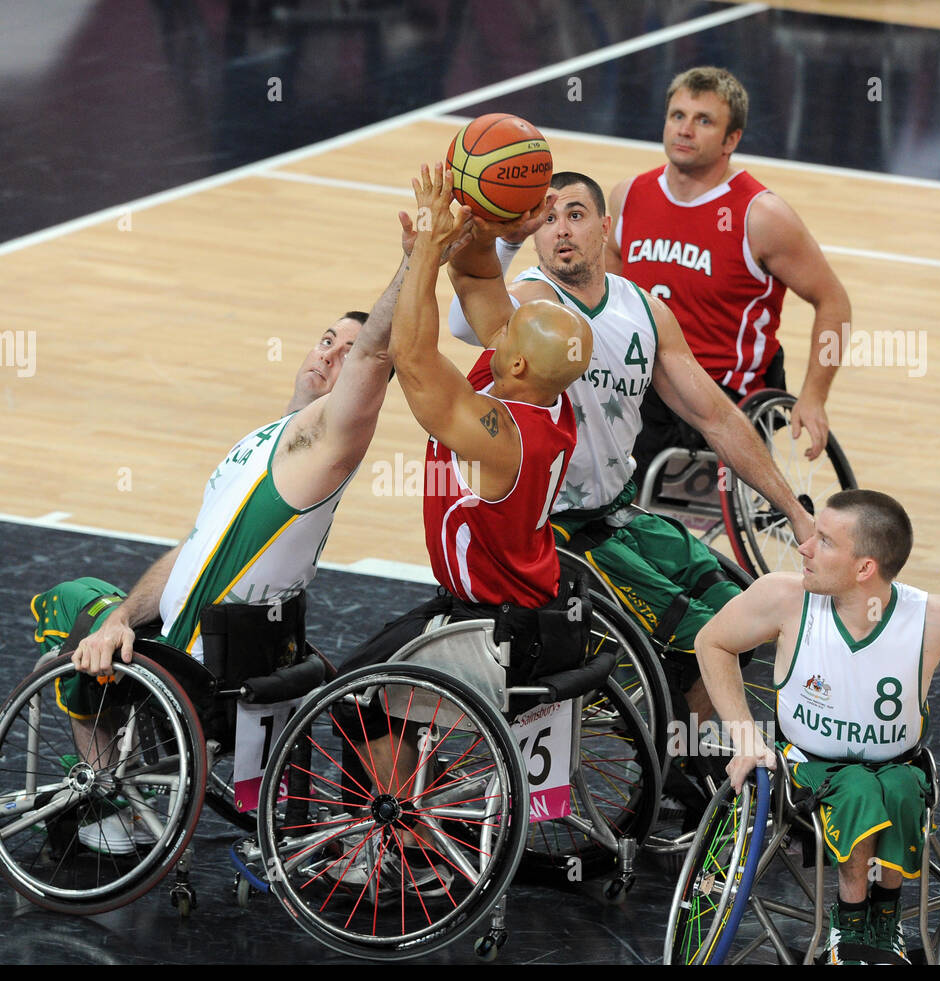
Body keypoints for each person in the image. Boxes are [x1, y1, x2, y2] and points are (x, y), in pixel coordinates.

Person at [25, 215, 473, 853]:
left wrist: (414, 262)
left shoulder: (326, 444)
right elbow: (194, 548)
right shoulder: (265, 442)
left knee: (68, 601)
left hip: (199, 675)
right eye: (325, 339)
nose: (332, 353)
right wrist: (123, 614)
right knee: (101, 600)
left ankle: (110, 796)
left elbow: (378, 350)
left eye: (348, 351)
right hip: (203, 648)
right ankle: (116, 758)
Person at [447, 170, 813, 726]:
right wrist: (505, 237)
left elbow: (715, 416)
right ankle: (679, 770)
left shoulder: (645, 311)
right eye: (547, 219)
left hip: (620, 514)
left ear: (606, 227)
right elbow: (463, 322)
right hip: (555, 527)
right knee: (703, 637)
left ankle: (689, 764)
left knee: (743, 616)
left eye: (575, 214)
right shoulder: (531, 304)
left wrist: (795, 514)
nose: (561, 230)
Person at [330, 163, 592, 890]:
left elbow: (410, 358)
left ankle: (401, 845)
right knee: (384, 676)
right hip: (529, 603)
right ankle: (424, 798)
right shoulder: (545, 392)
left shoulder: (498, 428)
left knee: (353, 694)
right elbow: (480, 282)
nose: (498, 330)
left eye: (507, 334)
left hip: (489, 625)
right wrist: (475, 222)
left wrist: (421, 252)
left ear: (513, 360)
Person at [694, 489, 940, 964]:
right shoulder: (784, 597)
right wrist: (745, 736)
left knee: (903, 787)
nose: (802, 546)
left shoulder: (936, 617)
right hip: (806, 770)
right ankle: (849, 926)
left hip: (899, 766)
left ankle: (885, 919)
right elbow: (713, 642)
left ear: (865, 568)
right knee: (859, 790)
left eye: (823, 541)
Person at [605, 66, 852, 482]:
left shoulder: (762, 215)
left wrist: (813, 396)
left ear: (731, 139)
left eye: (704, 121)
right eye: (677, 115)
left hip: (716, 397)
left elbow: (834, 302)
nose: (685, 129)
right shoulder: (628, 196)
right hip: (640, 385)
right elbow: (606, 298)